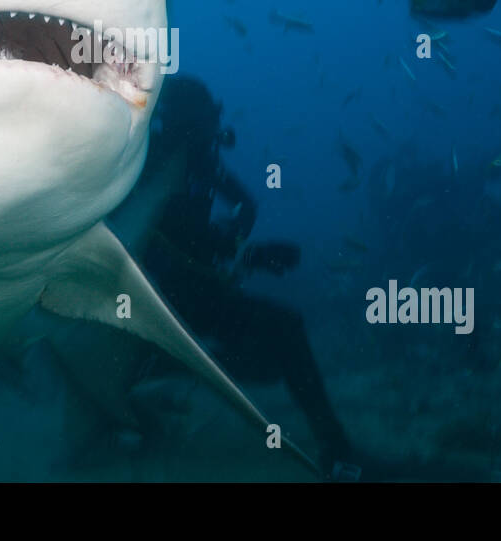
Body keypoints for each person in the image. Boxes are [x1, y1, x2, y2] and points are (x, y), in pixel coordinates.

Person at [136, 76, 360, 480]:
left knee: (271, 362)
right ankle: (338, 450)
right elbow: (166, 233)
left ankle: (176, 364)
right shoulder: (150, 164)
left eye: (212, 119)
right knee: (287, 331)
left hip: (194, 291)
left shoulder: (202, 160)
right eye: (204, 120)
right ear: (185, 123)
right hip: (158, 296)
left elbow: (245, 204)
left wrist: (239, 244)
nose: (212, 129)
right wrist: (238, 249)